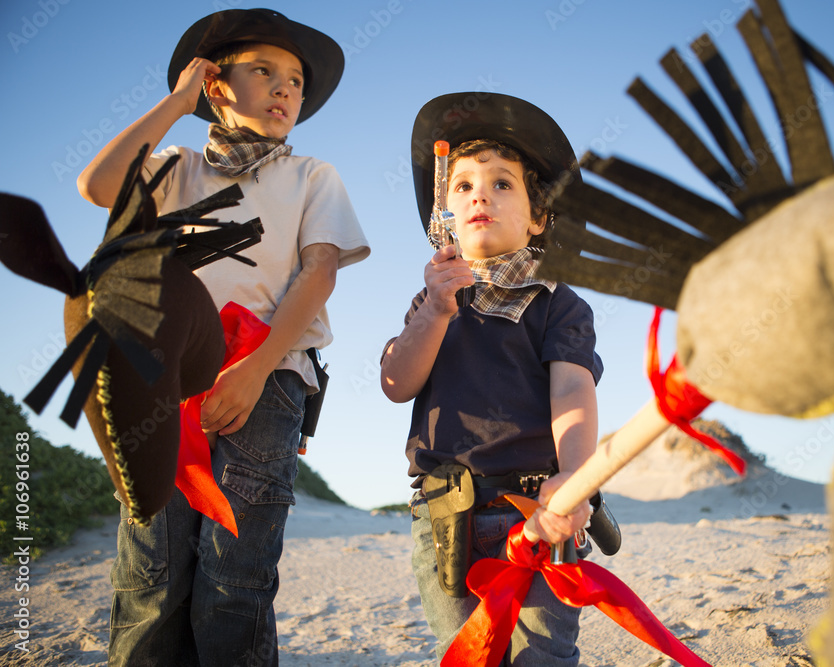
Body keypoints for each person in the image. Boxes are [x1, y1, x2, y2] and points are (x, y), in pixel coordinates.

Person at [76, 8, 370, 665]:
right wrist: (176, 103)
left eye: (295, 79)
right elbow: (96, 185)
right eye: (263, 71)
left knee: (234, 579)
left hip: (267, 379)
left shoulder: (312, 175)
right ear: (215, 85)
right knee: (152, 574)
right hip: (164, 382)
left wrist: (258, 366)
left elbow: (319, 272)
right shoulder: (177, 166)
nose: (285, 88)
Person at [380, 92, 603, 666]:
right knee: (466, 652)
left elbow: (574, 391)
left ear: (537, 218)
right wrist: (435, 311)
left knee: (544, 654)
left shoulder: (557, 303)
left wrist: (576, 477)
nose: (480, 193)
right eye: (462, 185)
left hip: (538, 505)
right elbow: (396, 383)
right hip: (444, 510)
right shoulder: (431, 299)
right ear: (444, 215)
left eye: (503, 183)